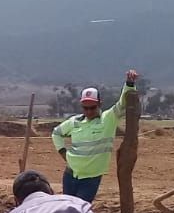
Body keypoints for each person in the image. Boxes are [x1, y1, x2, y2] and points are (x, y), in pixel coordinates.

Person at [50, 69, 140, 202]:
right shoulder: (75, 122)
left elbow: (122, 104)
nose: (89, 111)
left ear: (99, 104)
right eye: (85, 108)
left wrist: (129, 84)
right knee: (67, 209)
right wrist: (63, 152)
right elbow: (56, 133)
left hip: (91, 178)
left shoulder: (108, 119)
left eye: (92, 107)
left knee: (80, 210)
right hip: (70, 175)